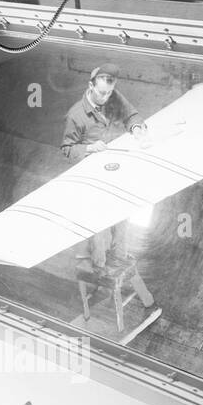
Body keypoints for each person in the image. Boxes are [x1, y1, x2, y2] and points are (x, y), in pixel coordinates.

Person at [60, 64, 152, 283]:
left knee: (122, 214)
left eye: (109, 92)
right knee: (98, 223)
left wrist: (137, 128)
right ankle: (100, 267)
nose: (105, 98)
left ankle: (119, 258)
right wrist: (89, 148)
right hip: (91, 174)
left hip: (115, 169)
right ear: (90, 86)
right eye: (101, 93)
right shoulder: (75, 115)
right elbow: (66, 149)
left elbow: (131, 115)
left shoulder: (113, 97)